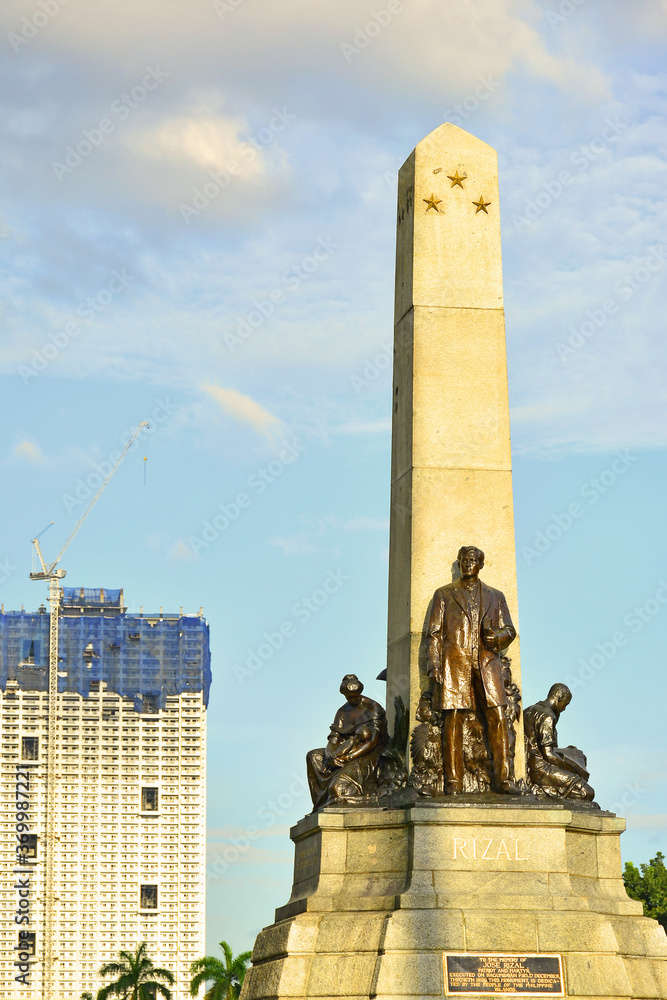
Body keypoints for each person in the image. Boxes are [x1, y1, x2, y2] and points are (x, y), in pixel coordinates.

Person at [426, 546, 517, 795]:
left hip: (487, 663)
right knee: (453, 718)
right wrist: (434, 665)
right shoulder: (444, 594)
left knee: (498, 716)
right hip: (455, 663)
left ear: (480, 565)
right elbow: (434, 633)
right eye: (464, 560)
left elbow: (509, 629)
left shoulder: (495, 596)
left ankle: (504, 779)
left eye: (473, 560)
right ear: (459, 563)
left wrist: (496, 637)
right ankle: (453, 781)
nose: (468, 564)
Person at [306, 674, 391, 810]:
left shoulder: (373, 708)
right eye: (348, 697)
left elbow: (372, 742)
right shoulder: (342, 711)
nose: (351, 699)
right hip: (345, 750)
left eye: (354, 696)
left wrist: (348, 758)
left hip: (368, 754)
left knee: (337, 788)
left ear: (359, 692)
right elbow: (335, 737)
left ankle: (359, 798)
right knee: (313, 756)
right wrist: (329, 754)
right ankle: (320, 804)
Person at [524, 683, 595, 801]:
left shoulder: (528, 711)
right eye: (565, 704)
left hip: (531, 767)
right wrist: (575, 768)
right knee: (588, 792)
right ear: (559, 698)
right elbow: (548, 755)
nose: (564, 708)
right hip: (541, 770)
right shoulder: (548, 716)